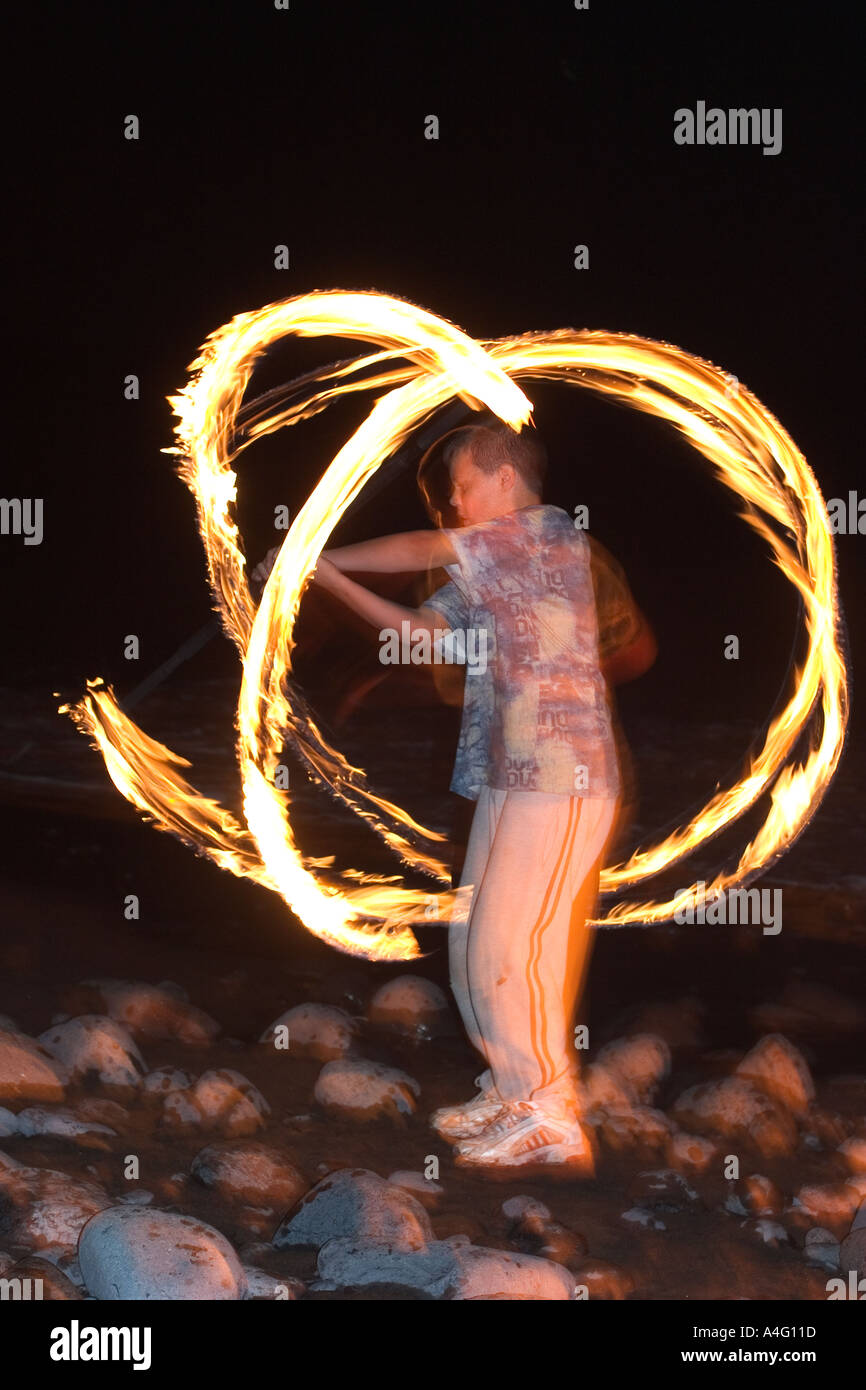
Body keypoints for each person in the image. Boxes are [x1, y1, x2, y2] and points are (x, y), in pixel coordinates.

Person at [289, 421, 658, 1174]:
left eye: (462, 486)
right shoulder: (493, 573)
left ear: (505, 479)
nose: (452, 503)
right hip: (506, 777)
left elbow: (423, 550)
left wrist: (310, 555)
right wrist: (325, 580)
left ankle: (552, 1119)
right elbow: (421, 634)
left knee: (514, 949)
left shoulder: (546, 537)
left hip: (562, 779)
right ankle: (513, 1094)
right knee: (472, 944)